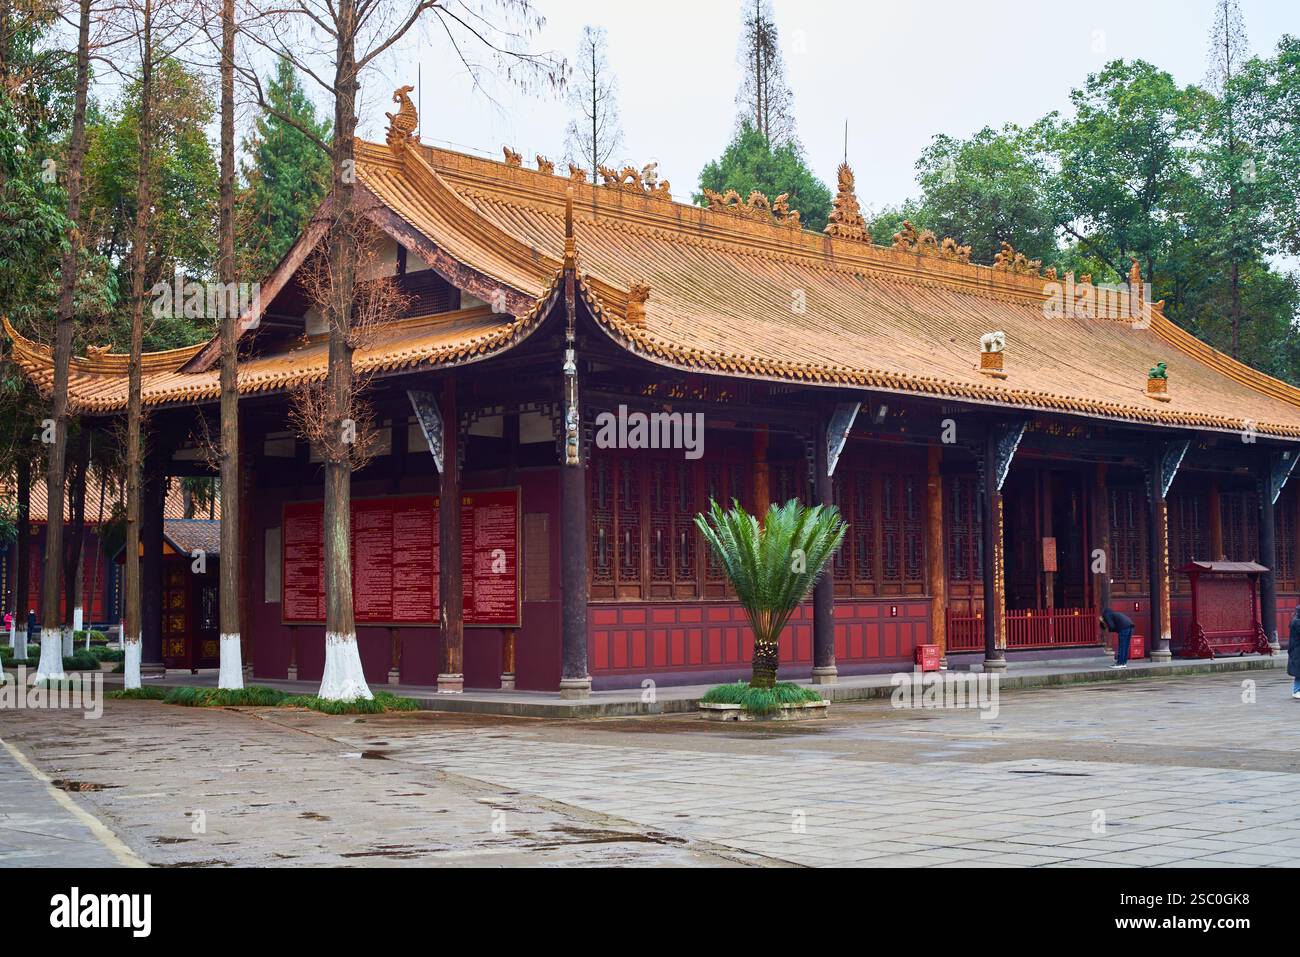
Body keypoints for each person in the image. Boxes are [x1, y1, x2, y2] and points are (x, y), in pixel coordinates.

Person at [1288, 605, 1300, 700]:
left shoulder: (1295, 620)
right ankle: (1296, 691)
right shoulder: (1297, 622)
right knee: (1298, 672)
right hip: (1297, 650)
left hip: (1296, 650)